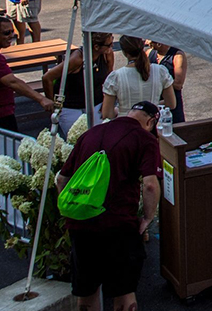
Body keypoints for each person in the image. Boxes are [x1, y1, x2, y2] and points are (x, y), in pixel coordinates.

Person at [56, 100, 162, 311]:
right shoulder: (144, 139)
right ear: (150, 122)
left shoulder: (91, 133)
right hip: (118, 226)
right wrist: (147, 219)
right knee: (123, 295)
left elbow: (61, 179)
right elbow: (150, 185)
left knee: (86, 294)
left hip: (82, 225)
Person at [0, 15, 57, 130]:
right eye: (6, 33)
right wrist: (41, 98)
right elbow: (13, 82)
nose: (11, 36)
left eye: (12, 31)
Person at [45, 32, 114, 136]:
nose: (112, 47)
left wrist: (106, 101)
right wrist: (52, 105)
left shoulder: (106, 54)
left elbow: (109, 78)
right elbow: (47, 78)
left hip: (96, 103)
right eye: (109, 45)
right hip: (71, 106)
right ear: (96, 47)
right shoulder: (77, 59)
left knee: (99, 137)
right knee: (77, 141)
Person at [101, 35, 176, 121]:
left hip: (126, 126)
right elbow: (171, 103)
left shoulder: (116, 77)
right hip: (151, 125)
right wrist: (151, 105)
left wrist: (118, 110)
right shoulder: (160, 71)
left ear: (125, 53)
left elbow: (107, 114)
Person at [148, 41, 187, 123]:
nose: (147, 42)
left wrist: (161, 79)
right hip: (155, 101)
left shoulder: (177, 56)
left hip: (172, 103)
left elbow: (178, 85)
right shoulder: (149, 53)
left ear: (159, 43)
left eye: (150, 41)